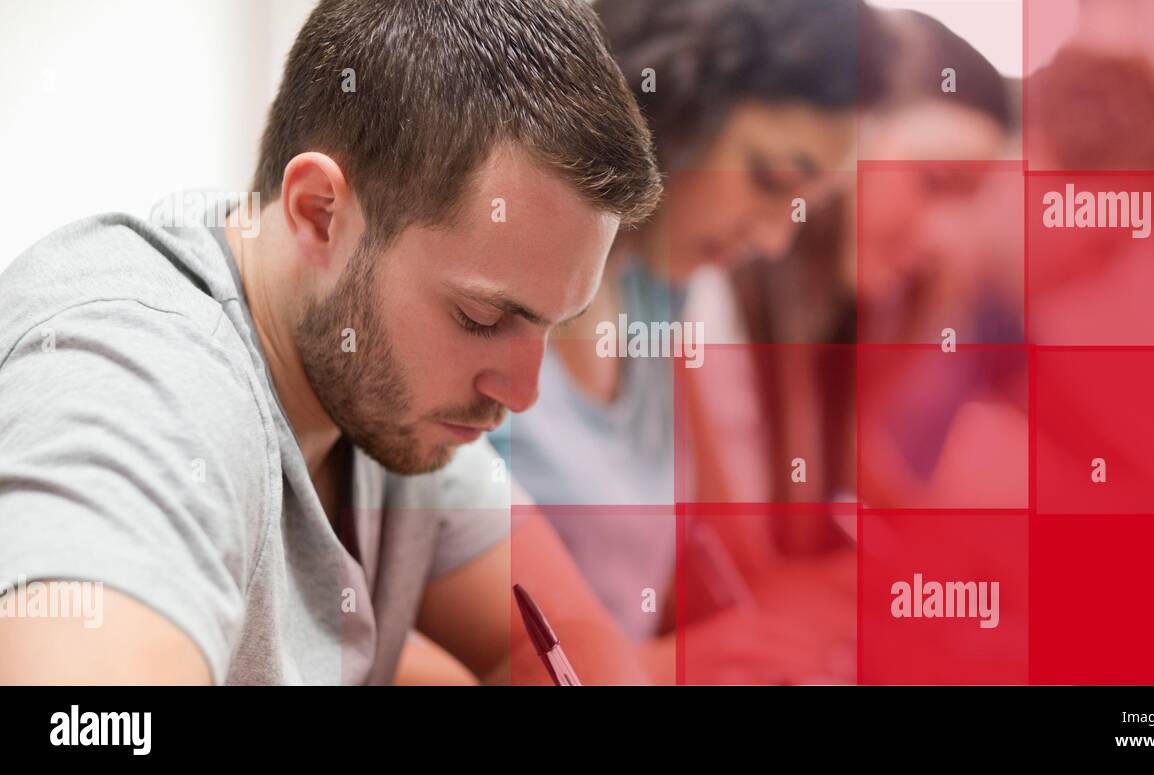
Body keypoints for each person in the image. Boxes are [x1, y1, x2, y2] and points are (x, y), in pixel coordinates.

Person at [0, 0, 661, 685]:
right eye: (482, 318)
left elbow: (561, 652)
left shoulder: (388, 399)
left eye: (556, 323)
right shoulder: (136, 381)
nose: (522, 393)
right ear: (319, 212)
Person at [484, 0, 893, 681]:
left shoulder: (658, 287)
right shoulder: (485, 295)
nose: (771, 240)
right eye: (769, 181)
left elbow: (693, 577)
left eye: (803, 208)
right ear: (670, 100)